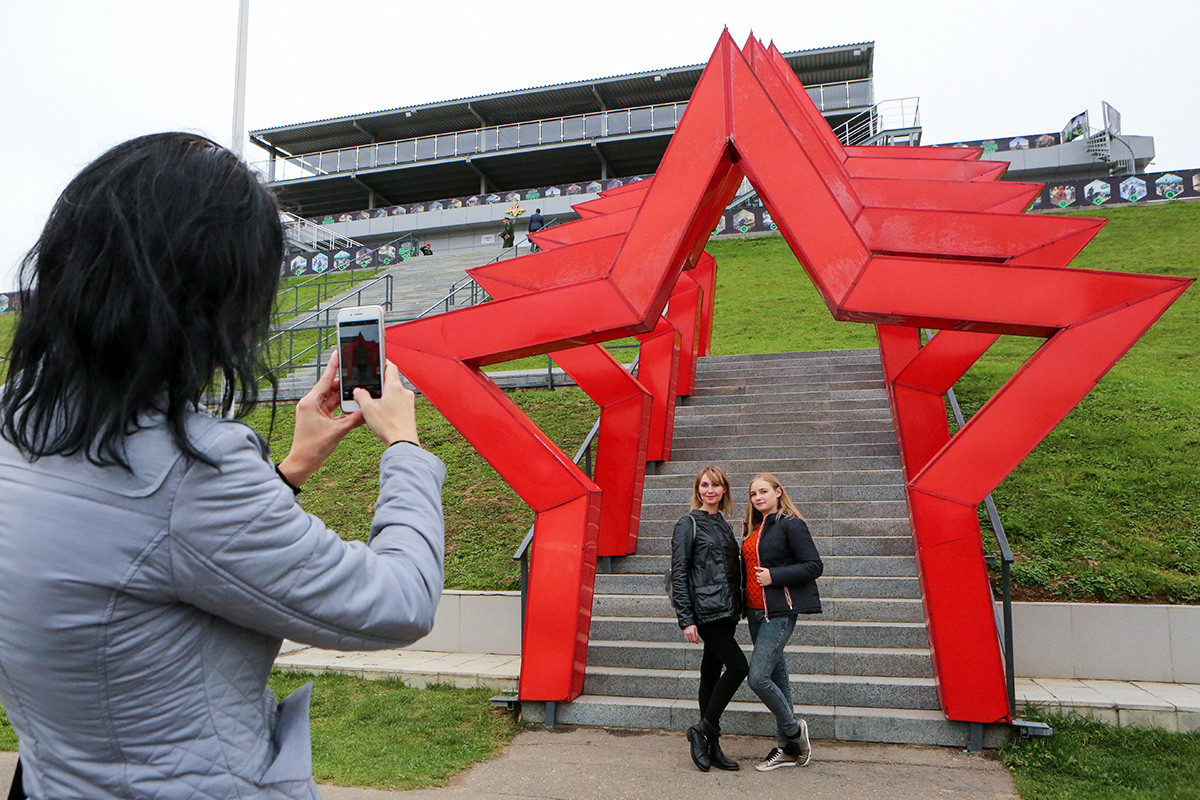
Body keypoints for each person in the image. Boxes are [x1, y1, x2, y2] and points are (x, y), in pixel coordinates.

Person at [0, 132, 445, 800]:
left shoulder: (16, 426)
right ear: (209, 302)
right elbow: (396, 601)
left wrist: (293, 464)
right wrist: (405, 450)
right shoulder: (188, 473)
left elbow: (137, 550)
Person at [669, 466, 748, 772]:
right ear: (697, 489)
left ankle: (711, 746)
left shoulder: (723, 524)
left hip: (728, 610)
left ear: (724, 489)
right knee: (740, 666)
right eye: (704, 485)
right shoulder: (688, 523)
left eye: (716, 485)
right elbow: (679, 574)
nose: (710, 490)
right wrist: (686, 619)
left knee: (711, 673)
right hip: (706, 611)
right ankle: (703, 731)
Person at [743, 473, 822, 771]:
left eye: (764, 491)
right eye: (753, 494)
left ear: (778, 492)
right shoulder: (755, 527)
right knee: (778, 679)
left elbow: (814, 565)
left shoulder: (791, 524)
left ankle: (793, 731)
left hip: (778, 612)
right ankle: (787, 750)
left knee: (758, 678)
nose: (758, 497)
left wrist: (774, 576)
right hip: (753, 612)